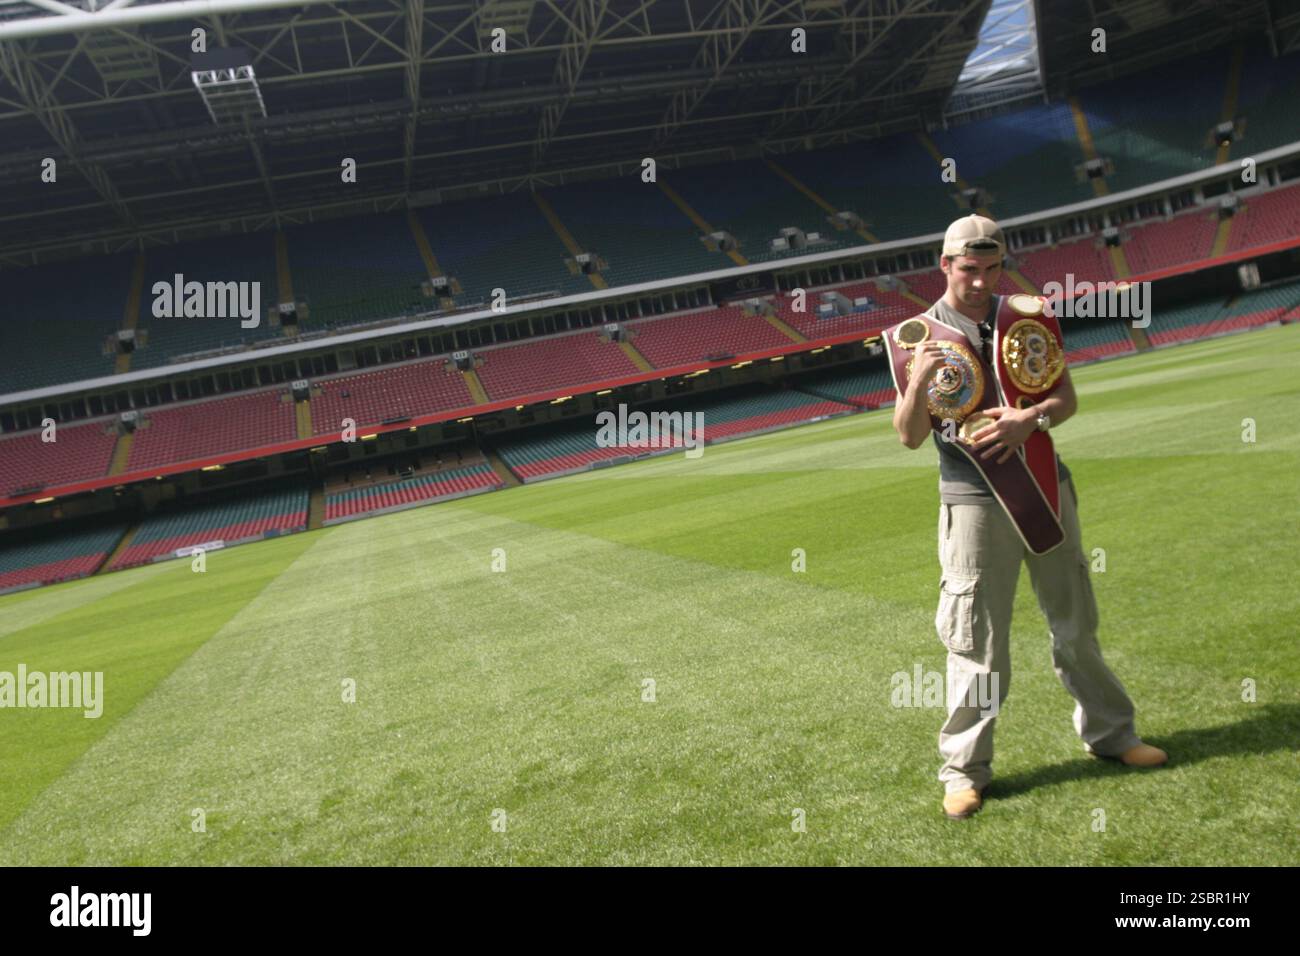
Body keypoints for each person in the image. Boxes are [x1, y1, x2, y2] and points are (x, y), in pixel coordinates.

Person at [891, 214, 1167, 821]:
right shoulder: (914, 335)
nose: (982, 281)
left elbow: (1065, 400)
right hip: (973, 503)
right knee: (977, 647)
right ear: (944, 266)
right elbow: (909, 436)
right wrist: (915, 386)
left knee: (1075, 624)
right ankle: (963, 771)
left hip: (1046, 488)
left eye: (993, 269)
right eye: (970, 270)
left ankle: (1113, 736)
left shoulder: (1029, 318)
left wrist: (1030, 419)